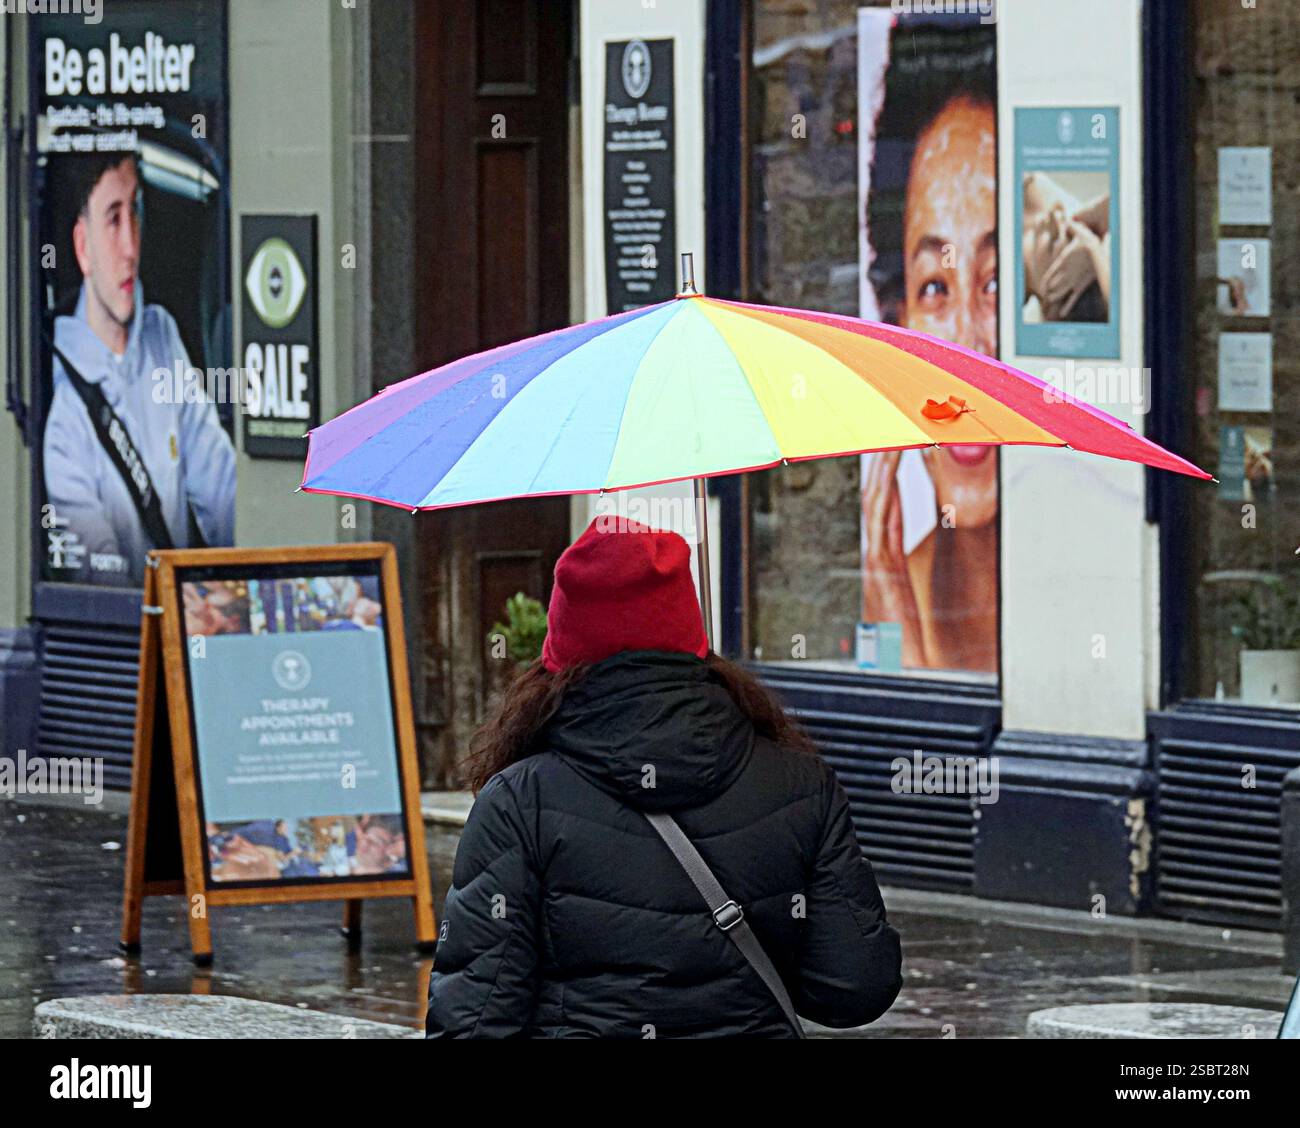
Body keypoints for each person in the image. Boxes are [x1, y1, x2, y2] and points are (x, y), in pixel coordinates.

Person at [425, 518, 902, 1038]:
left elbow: (475, 1020)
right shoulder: (799, 782)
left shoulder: (519, 802)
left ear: (560, 650)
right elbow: (855, 986)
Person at [42, 147, 235, 587]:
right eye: (113, 220)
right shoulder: (63, 412)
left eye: (136, 212)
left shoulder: (161, 337)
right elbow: (98, 579)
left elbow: (222, 488)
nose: (131, 248)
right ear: (82, 247)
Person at [862, 91, 999, 672]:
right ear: (899, 325)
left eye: (996, 283)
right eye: (935, 289)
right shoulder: (884, 586)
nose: (968, 346)